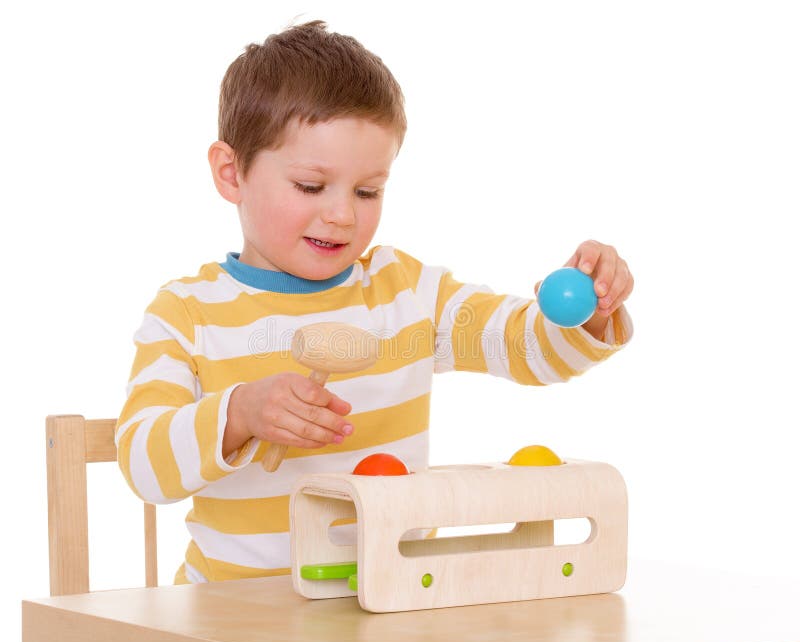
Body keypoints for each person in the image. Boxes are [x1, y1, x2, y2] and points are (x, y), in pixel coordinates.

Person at [115, 20, 634, 585]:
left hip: (393, 601)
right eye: (311, 186)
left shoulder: (406, 294)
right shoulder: (188, 314)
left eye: (368, 191)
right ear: (231, 172)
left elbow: (527, 349)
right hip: (232, 617)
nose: (343, 214)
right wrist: (238, 413)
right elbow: (142, 465)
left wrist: (590, 311)